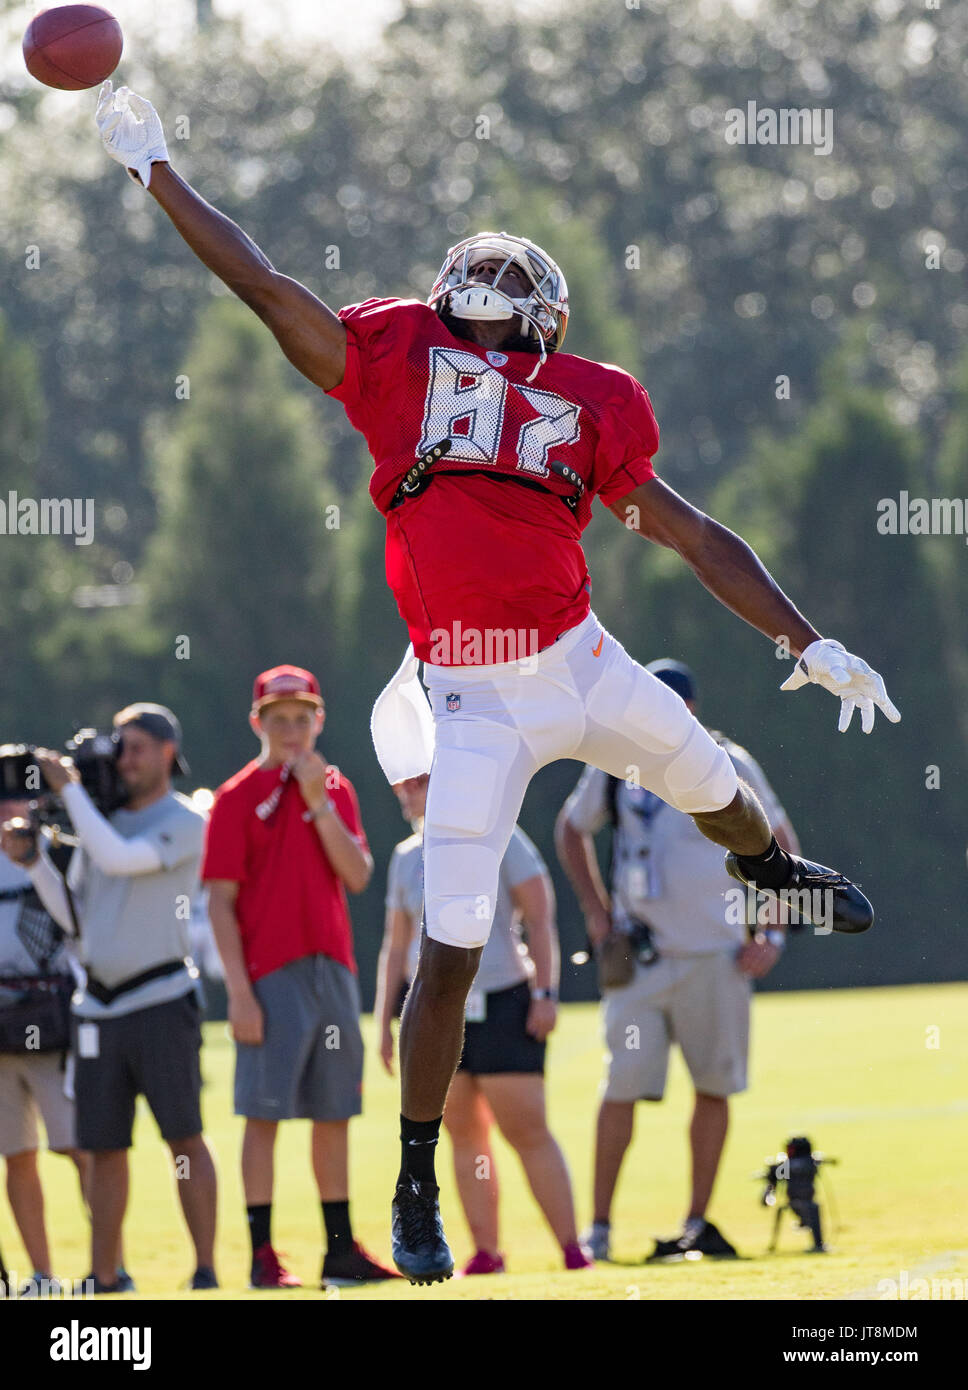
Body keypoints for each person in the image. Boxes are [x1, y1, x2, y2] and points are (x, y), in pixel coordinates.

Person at [91, 87, 901, 1283]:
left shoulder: (436, 364)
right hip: (472, 690)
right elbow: (684, 530)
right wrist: (799, 637)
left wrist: (157, 169)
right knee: (457, 944)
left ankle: (769, 870)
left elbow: (269, 287)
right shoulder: (517, 381)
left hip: (568, 657)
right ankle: (418, 1176)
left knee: (704, 787)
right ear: (541, 319)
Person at [556, 659, 800, 1262]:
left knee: (713, 1088)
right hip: (639, 960)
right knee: (620, 1088)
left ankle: (696, 1223)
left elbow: (783, 848)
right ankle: (601, 1230)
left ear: (690, 710)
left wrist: (770, 934)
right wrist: (595, 909)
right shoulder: (613, 763)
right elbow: (570, 829)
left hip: (716, 957)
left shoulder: (729, 763)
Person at [1, 706, 218, 1293]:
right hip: (96, 1008)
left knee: (183, 1136)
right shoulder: (102, 822)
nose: (126, 760)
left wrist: (69, 794)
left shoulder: (185, 819)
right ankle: (104, 1278)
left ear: (168, 753)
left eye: (138, 748)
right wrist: (34, 861)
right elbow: (73, 921)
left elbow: (122, 859)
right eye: (121, 749)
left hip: (161, 998)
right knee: (102, 1148)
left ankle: (204, 1269)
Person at [202, 665, 397, 1289]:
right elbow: (219, 903)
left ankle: (339, 1251)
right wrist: (238, 992)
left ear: (319, 721)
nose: (292, 730)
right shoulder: (235, 799)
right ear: (258, 722)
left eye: (303, 717)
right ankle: (262, 1255)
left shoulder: (334, 788)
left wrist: (316, 804)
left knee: (334, 1112)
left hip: (332, 969)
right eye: (279, 719)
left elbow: (358, 873)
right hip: (269, 976)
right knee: (263, 1115)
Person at [376, 774, 590, 1275]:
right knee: (462, 1133)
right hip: (432, 1013)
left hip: (502, 1000)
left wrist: (545, 992)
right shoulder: (407, 856)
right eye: (403, 785)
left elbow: (540, 916)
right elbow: (396, 944)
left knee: (526, 1128)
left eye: (421, 782)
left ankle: (572, 1250)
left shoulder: (498, 835)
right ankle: (487, 1252)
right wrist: (386, 1019)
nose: (408, 792)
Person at [0, 796, 88, 1297]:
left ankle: (105, 1267)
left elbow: (77, 924)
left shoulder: (56, 848)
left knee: (80, 1147)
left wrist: (34, 854)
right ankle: (42, 1277)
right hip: (3, 1031)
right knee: (17, 1154)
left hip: (53, 1021)